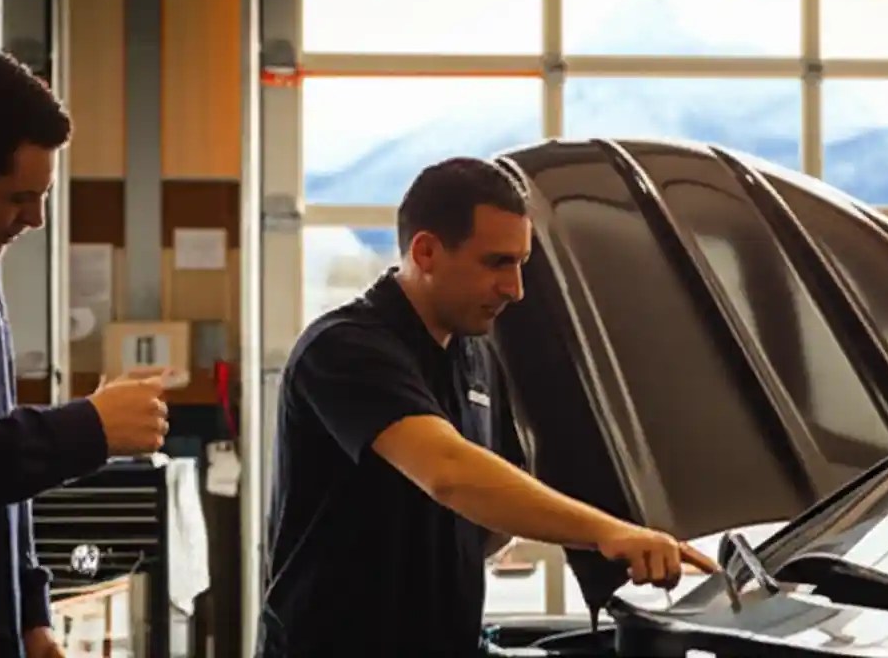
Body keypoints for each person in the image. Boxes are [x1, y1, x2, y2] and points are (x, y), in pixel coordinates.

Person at [257, 157, 718, 655]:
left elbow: (488, 512)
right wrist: (609, 533)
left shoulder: (476, 357)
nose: (515, 289)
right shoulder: (345, 349)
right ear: (427, 251)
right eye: (497, 262)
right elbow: (449, 471)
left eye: (521, 263)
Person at [0, 48, 173, 658]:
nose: (35, 218)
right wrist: (91, 427)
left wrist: (31, 614)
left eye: (43, 194)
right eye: (16, 197)